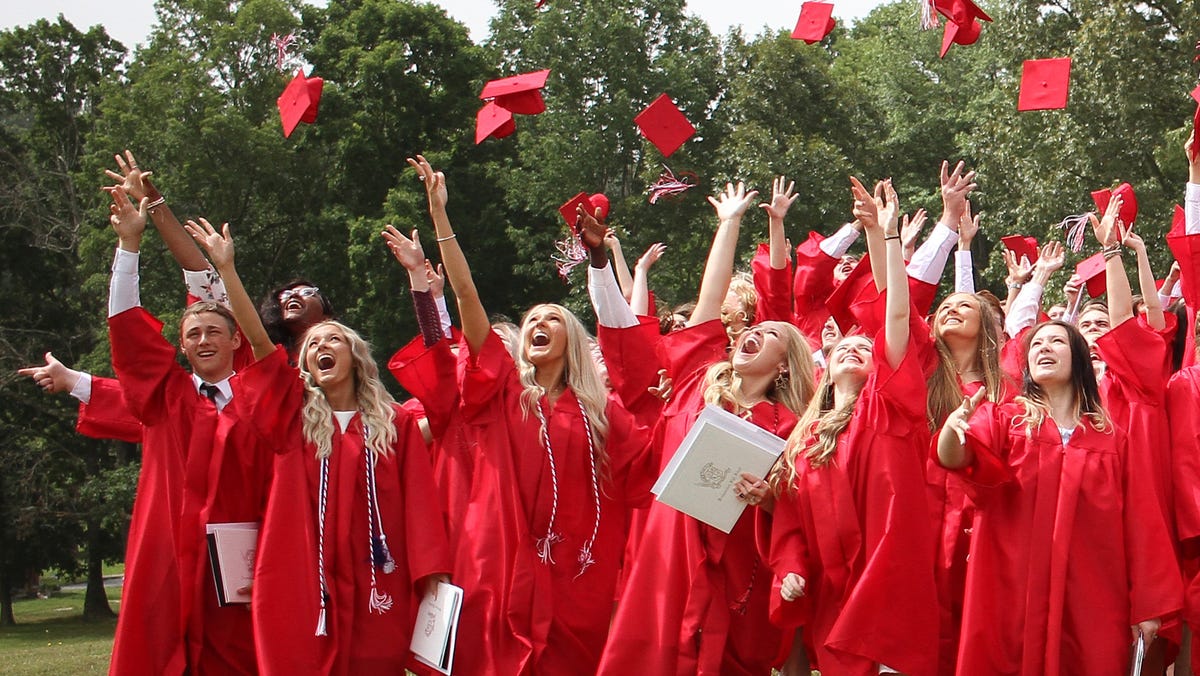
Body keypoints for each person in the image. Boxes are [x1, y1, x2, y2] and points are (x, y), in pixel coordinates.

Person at [407, 154, 655, 674]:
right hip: (500, 560)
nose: (539, 323)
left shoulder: (600, 411)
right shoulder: (501, 393)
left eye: (552, 318)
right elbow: (467, 297)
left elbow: (648, 468)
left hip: (576, 571)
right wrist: (440, 218)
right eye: (533, 319)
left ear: (572, 339)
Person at [185, 218, 450, 675]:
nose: (322, 347)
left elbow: (421, 505)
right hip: (303, 576)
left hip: (377, 577)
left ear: (354, 356)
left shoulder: (394, 425)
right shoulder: (292, 419)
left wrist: (433, 575)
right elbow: (261, 345)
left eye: (333, 340)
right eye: (313, 345)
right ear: (305, 363)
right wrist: (226, 270)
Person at [598, 181, 815, 676]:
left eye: (768, 334)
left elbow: (798, 505)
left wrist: (769, 498)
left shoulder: (792, 427)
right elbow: (709, 300)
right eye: (751, 329)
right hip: (672, 549)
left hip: (739, 560)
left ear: (785, 365)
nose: (752, 332)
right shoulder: (698, 380)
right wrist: (730, 223)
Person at [937, 317, 1180, 673]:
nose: (1043, 348)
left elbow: (1141, 523)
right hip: (1012, 587)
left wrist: (1146, 604)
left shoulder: (1112, 439)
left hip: (1090, 594)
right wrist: (951, 429)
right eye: (1036, 344)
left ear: (1078, 359)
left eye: (1056, 342)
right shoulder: (1006, 420)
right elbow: (956, 458)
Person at [765, 178, 938, 676]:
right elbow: (790, 522)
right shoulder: (805, 441)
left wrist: (885, 236)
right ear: (826, 365)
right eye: (845, 345)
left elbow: (895, 313)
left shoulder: (889, 406)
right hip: (831, 595)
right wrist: (790, 569)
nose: (855, 346)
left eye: (866, 346)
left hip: (889, 596)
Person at [103, 188, 270, 675]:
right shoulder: (166, 398)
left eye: (214, 331)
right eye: (193, 334)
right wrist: (129, 246)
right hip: (168, 555)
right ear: (182, 347)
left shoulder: (262, 403)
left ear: (236, 339)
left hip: (239, 566)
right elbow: (127, 330)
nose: (203, 340)